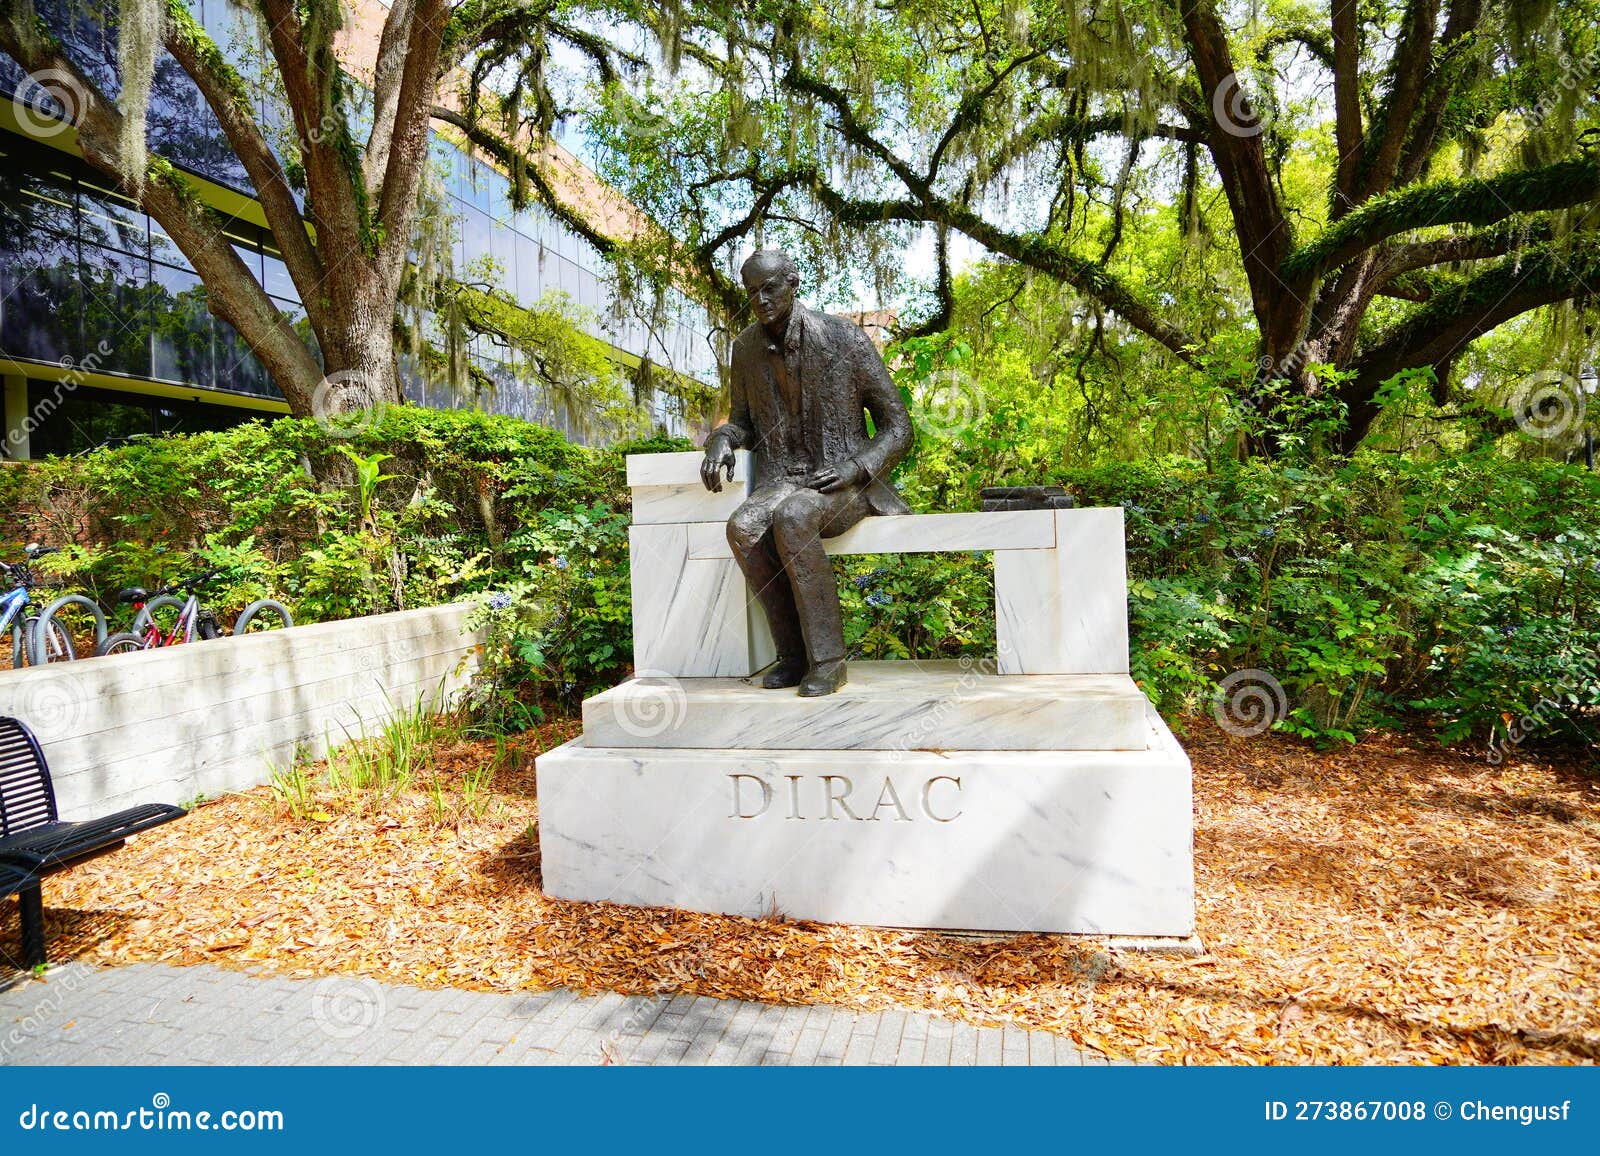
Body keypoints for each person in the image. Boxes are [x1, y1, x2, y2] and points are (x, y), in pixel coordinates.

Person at [699, 249, 914, 696]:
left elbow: (899, 427)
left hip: (846, 482)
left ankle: (829, 660)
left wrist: (855, 468)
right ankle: (794, 656)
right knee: (742, 526)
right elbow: (743, 420)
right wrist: (721, 438)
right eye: (751, 291)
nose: (760, 299)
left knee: (795, 516)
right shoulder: (746, 349)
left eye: (769, 288)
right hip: (783, 478)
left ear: (794, 283)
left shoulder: (844, 339)